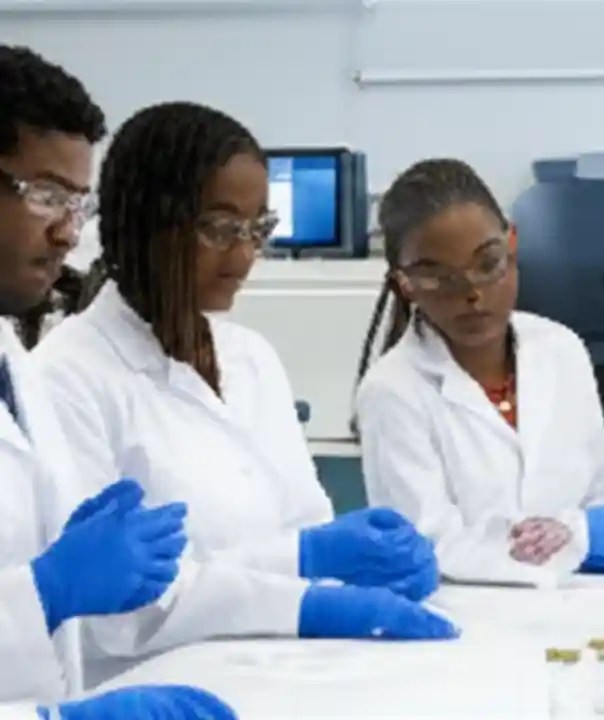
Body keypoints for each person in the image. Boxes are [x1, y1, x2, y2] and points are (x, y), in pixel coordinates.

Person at [30, 100, 457, 685]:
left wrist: (352, 563)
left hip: (282, 670)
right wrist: (304, 578)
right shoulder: (68, 376)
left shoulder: (251, 358)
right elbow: (117, 610)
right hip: (151, 688)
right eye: (221, 228)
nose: (246, 253)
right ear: (148, 222)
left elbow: (308, 521)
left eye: (258, 228)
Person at [0, 43, 236, 720]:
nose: (69, 233)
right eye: (45, 195)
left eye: (78, 202)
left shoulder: (13, 362)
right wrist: (44, 592)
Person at [354, 158, 604, 586]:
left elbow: (599, 501)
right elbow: (428, 547)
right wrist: (565, 545)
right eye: (439, 278)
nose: (472, 294)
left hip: (582, 606)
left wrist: (584, 532)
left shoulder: (561, 350)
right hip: (467, 619)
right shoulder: (392, 390)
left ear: (512, 245)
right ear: (405, 284)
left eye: (488, 264)